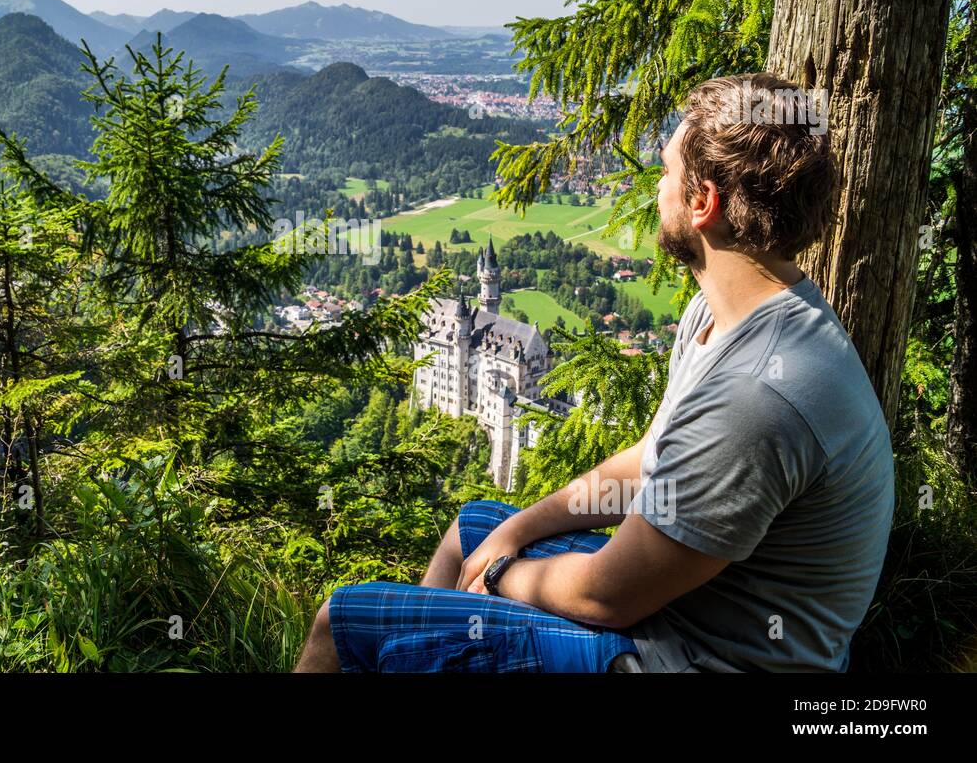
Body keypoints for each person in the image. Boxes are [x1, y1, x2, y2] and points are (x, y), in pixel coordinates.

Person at [294, 73, 895, 673]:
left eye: (666, 172)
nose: (657, 186)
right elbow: (648, 461)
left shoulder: (756, 394)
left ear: (702, 202)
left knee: (340, 622)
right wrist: (517, 530)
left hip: (696, 657)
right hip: (693, 617)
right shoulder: (724, 316)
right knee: (469, 532)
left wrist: (503, 573)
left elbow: (606, 597)